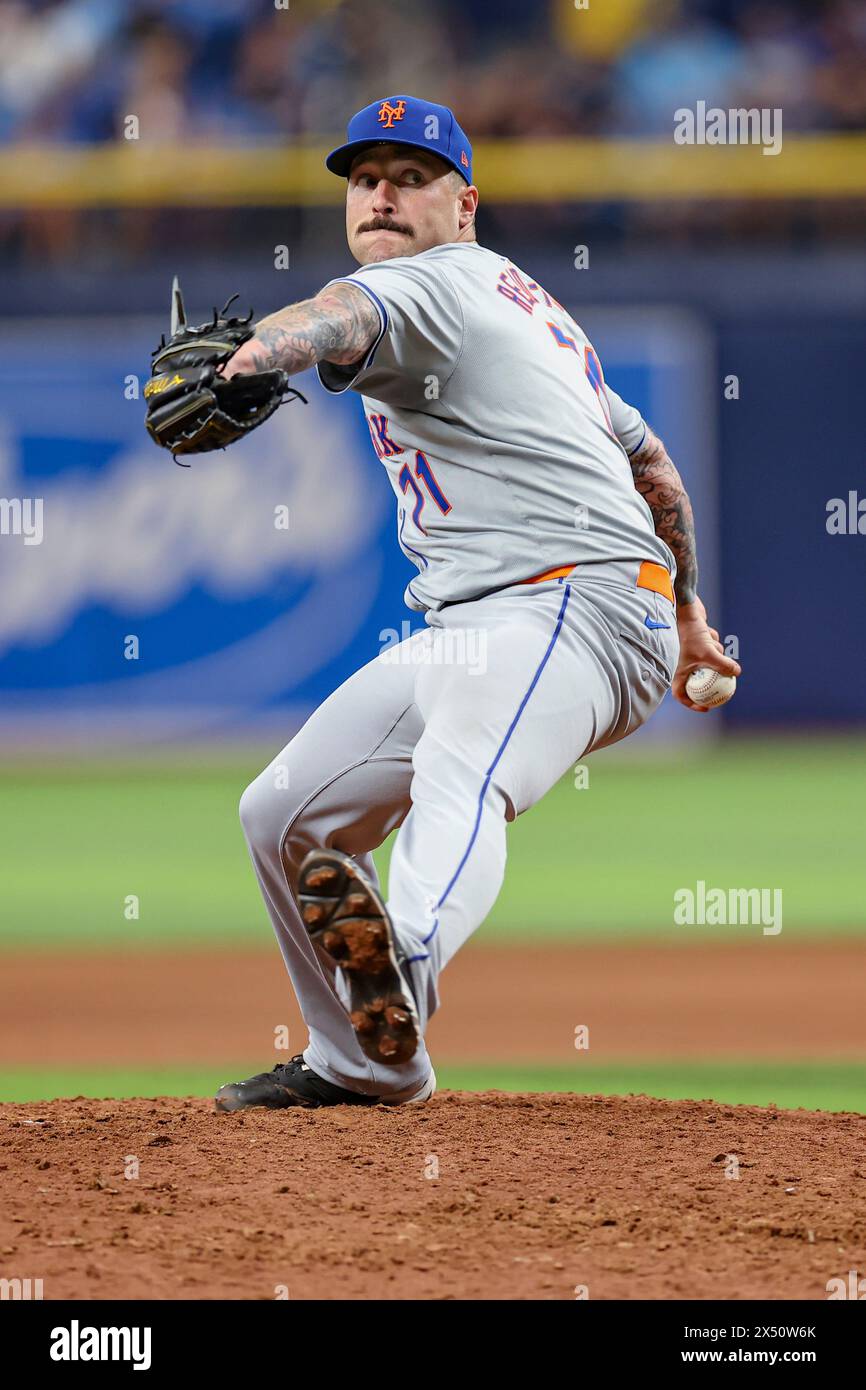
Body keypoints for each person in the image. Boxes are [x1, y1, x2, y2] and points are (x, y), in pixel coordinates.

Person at [213, 95, 740, 1112]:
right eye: (364, 178)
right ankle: (367, 1060)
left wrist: (248, 355)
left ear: (464, 206)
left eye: (410, 177)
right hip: (503, 623)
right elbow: (650, 460)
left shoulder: (432, 283)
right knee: (283, 813)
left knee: (465, 749)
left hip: (569, 605)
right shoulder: (523, 298)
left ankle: (407, 950)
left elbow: (337, 316)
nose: (380, 194)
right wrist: (686, 618)